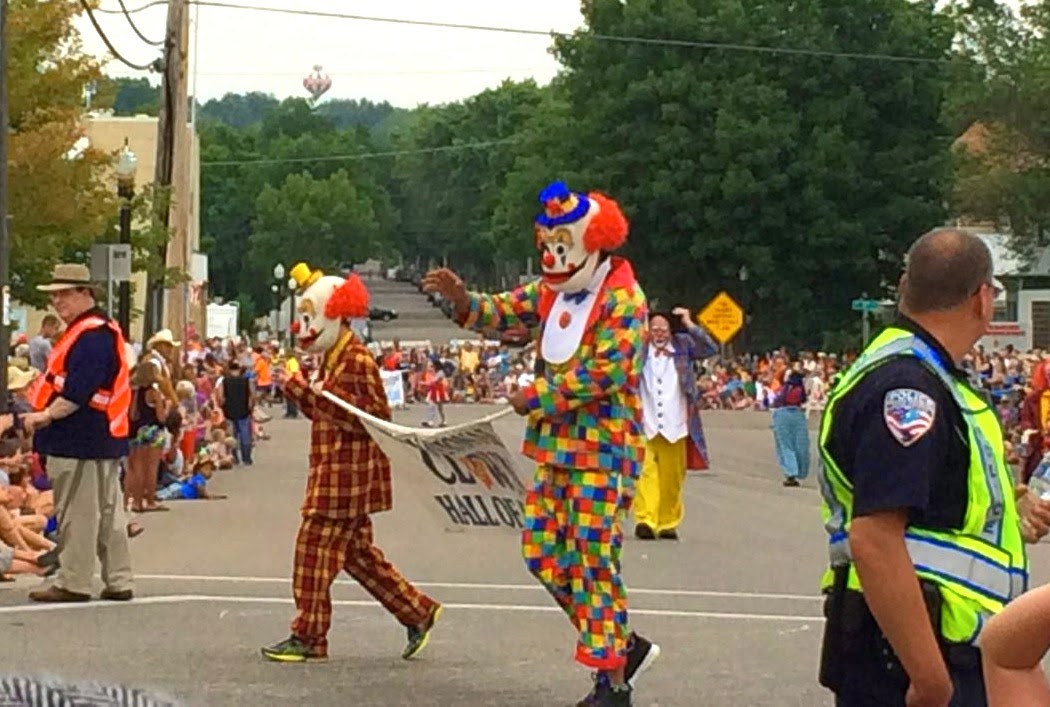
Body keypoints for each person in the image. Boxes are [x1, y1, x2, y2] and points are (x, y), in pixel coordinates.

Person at [424, 181, 659, 707]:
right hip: (556, 449)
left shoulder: (624, 298)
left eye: (562, 247)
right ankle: (619, 644)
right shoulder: (554, 290)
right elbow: (506, 311)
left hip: (604, 450)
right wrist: (463, 301)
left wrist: (542, 395)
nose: (553, 258)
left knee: (594, 559)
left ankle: (612, 682)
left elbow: (610, 369)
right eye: (547, 247)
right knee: (542, 552)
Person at [816, 229, 1050, 707]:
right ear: (982, 299)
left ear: (905, 288)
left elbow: (933, 508)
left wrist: (1008, 507)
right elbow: (875, 536)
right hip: (914, 657)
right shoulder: (908, 388)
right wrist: (930, 680)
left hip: (938, 645)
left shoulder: (927, 374)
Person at [261, 263, 441, 663]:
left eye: (310, 317)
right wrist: (304, 390)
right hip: (337, 470)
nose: (304, 328)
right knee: (359, 557)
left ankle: (309, 636)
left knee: (310, 553)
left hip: (346, 476)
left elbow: (357, 416)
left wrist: (296, 388)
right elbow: (331, 412)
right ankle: (418, 612)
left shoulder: (355, 361)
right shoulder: (336, 357)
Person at [20, 263, 134, 603]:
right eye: (55, 295)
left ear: (86, 293)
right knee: (109, 512)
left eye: (65, 293)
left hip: (77, 437)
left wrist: (42, 417)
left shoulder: (89, 336)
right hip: (101, 435)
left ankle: (74, 580)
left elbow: (76, 392)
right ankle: (118, 578)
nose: (58, 301)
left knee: (78, 513)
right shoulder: (100, 332)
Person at [633, 307, 716, 540]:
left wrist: (689, 322)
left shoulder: (682, 347)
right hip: (645, 423)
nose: (659, 333)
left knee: (672, 478)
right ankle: (646, 520)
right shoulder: (639, 349)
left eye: (663, 328)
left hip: (676, 423)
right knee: (645, 474)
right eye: (654, 328)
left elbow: (709, 348)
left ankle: (667, 522)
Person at [772, 366, 810, 487]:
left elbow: (780, 400)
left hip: (783, 413)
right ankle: (800, 470)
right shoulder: (800, 388)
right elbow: (803, 400)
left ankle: (790, 472)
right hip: (798, 414)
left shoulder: (787, 387)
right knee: (800, 445)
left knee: (785, 445)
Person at [216, 361, 253, 466]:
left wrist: (221, 406)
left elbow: (221, 397)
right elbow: (252, 395)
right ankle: (247, 458)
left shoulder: (225, 381)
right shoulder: (246, 381)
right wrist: (251, 407)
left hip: (229, 411)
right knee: (245, 434)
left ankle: (234, 457)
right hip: (243, 410)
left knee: (232, 435)